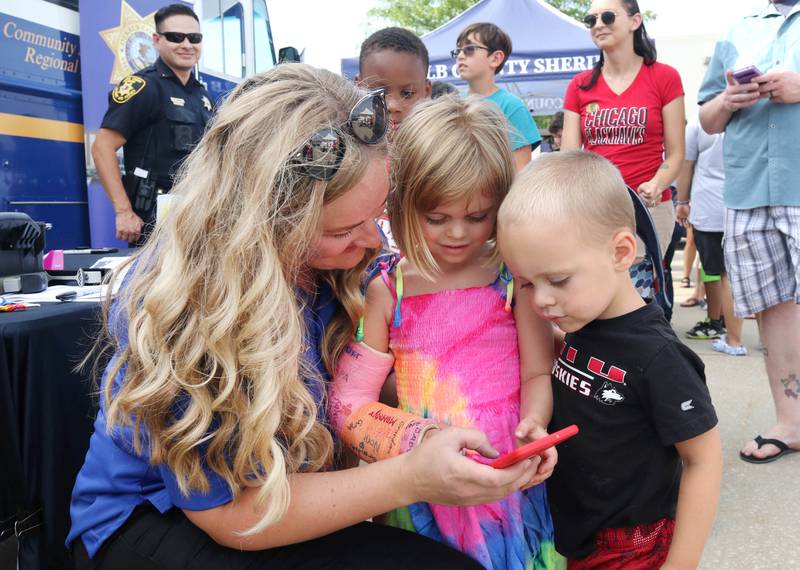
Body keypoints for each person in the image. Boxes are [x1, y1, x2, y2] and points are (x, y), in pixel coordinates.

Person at [67, 65, 543, 570]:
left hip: (284, 494)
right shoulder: (194, 304)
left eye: (376, 216)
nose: (374, 242)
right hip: (156, 524)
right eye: (344, 229)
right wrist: (412, 475)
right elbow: (232, 513)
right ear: (269, 221)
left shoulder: (343, 269)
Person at [328, 96, 561, 569]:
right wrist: (418, 442)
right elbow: (349, 402)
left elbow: (538, 371)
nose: (458, 233)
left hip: (506, 472)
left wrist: (534, 425)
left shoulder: (512, 277)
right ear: (404, 204)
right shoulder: (387, 289)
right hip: (423, 483)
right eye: (437, 218)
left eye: (477, 216)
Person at [497, 151, 722, 569]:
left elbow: (704, 460)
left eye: (557, 280)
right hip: (581, 532)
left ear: (620, 252)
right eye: (526, 283)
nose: (541, 299)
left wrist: (681, 564)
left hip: (633, 545)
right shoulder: (583, 323)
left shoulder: (660, 358)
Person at [698, 0, 800, 463]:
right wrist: (727, 100)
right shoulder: (736, 30)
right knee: (772, 308)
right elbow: (707, 118)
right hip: (748, 188)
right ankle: (791, 422)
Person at [561, 0, 685, 271]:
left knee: (636, 300)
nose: (599, 25)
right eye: (591, 20)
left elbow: (676, 154)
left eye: (607, 16)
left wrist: (658, 183)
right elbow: (569, 159)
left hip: (648, 211)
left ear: (635, 21)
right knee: (596, 299)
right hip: (597, 211)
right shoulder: (579, 85)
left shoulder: (664, 77)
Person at [92, 3, 213, 246]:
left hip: (199, 220)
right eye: (176, 37)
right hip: (156, 223)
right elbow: (101, 148)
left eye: (194, 37)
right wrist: (124, 212)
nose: (187, 45)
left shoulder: (203, 96)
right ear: (157, 40)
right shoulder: (144, 87)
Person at [676, 117, 746, 354]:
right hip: (743, 203)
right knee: (735, 273)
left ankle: (722, 327)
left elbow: (686, 164)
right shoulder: (748, 120)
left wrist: (682, 201)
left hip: (708, 207)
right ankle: (729, 324)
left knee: (715, 272)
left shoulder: (697, 125)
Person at [452, 22, 541, 170]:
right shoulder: (452, 103)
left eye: (469, 49)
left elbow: (519, 173)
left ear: (495, 58)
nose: (460, 56)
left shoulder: (512, 107)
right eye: (458, 51)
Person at [356, 27, 432, 133]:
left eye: (407, 93)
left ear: (427, 92)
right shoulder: (342, 143)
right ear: (358, 87)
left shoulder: (446, 146)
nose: (392, 106)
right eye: (378, 92)